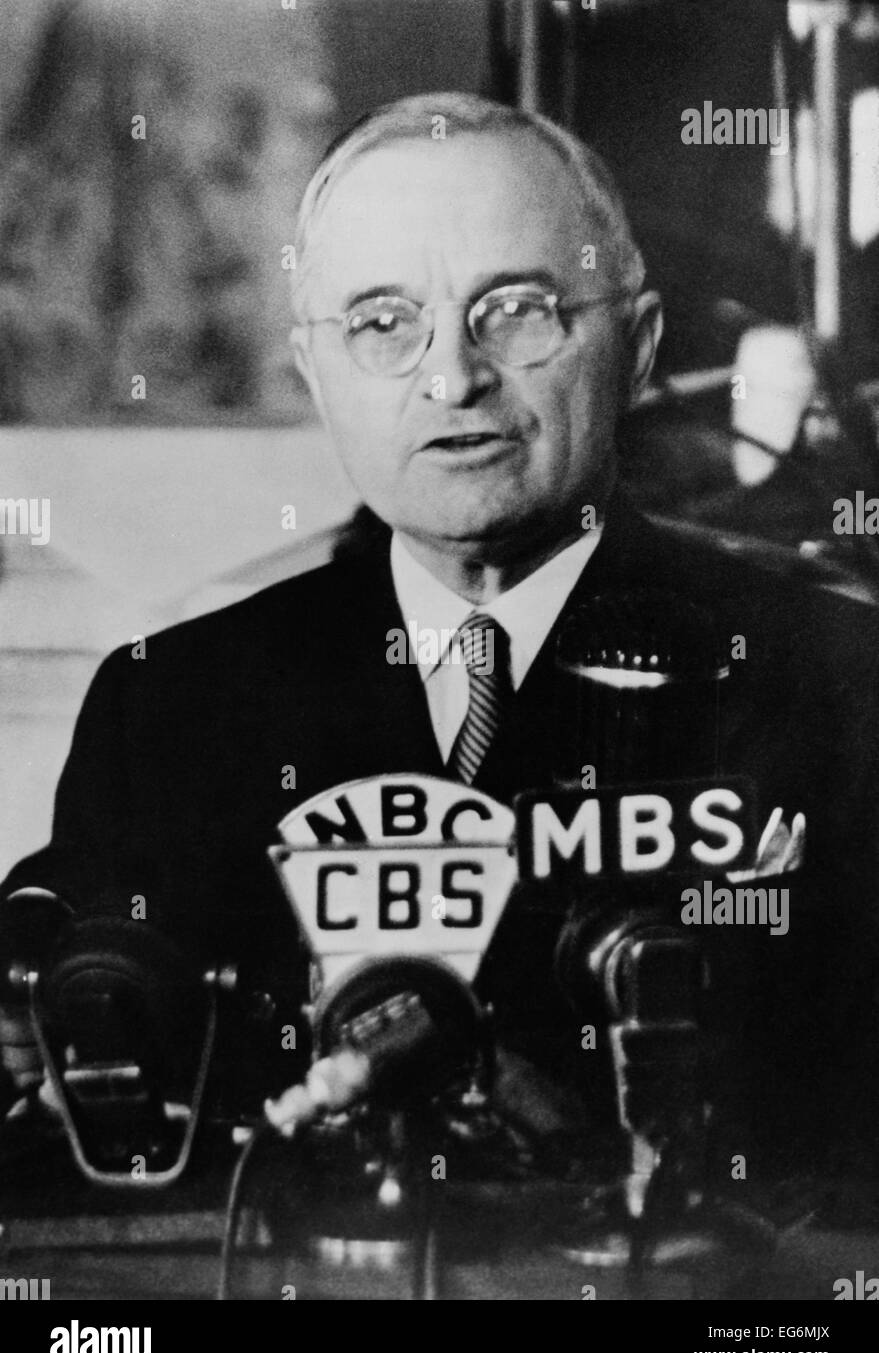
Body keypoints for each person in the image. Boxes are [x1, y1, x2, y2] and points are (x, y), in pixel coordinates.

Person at [2, 93, 878, 1171]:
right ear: (315, 373)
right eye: (382, 323)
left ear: (640, 346)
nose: (453, 375)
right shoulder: (172, 705)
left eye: (517, 310)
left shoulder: (836, 685)